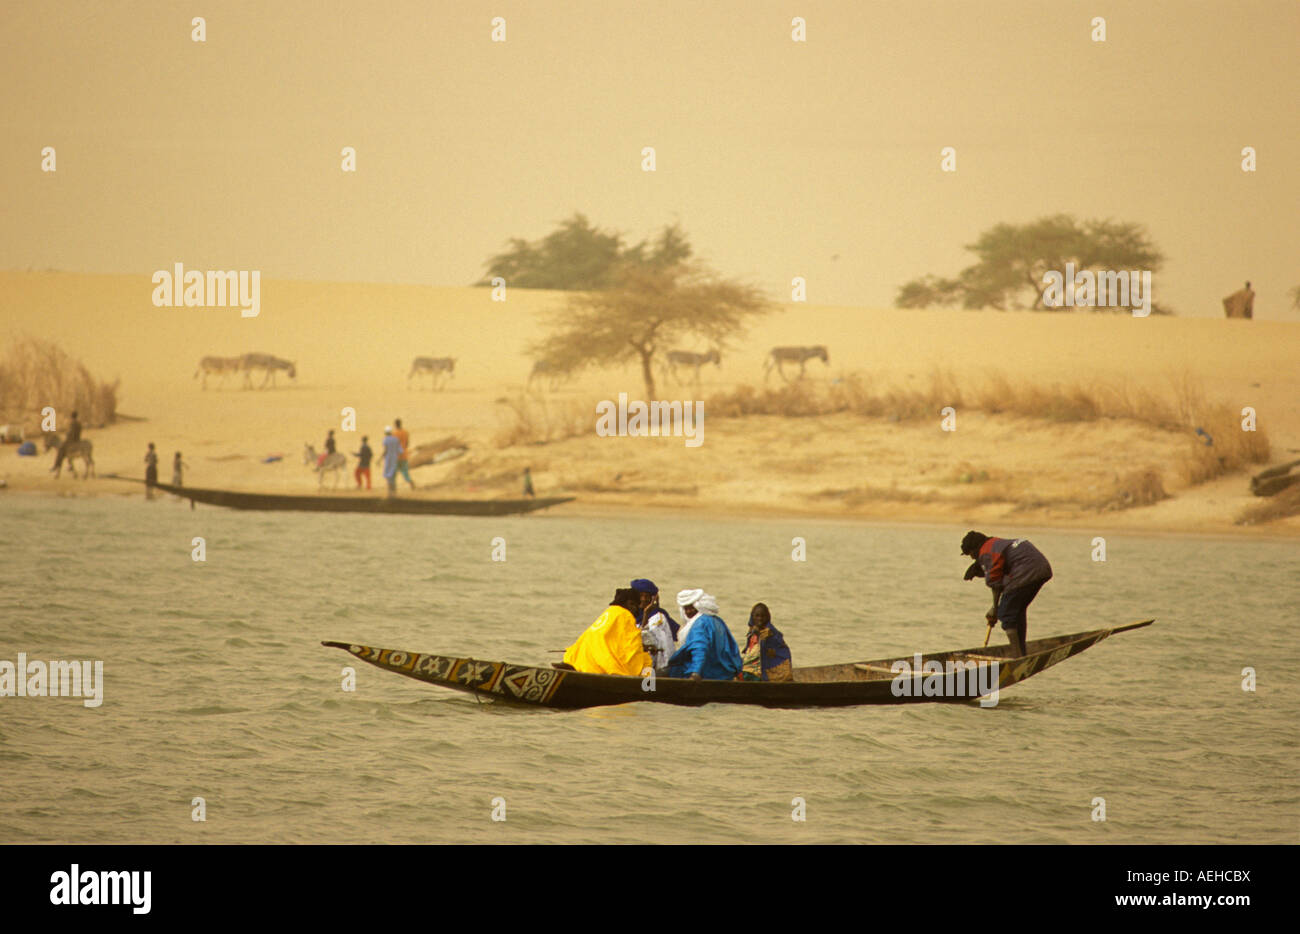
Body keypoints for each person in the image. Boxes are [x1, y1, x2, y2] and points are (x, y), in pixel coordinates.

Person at [961, 530, 1053, 657]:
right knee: (1017, 611)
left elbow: (995, 581)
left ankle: (1017, 656)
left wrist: (995, 609)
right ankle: (1021, 651)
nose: (972, 558)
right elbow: (1000, 577)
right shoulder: (996, 544)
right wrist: (995, 607)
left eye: (970, 554)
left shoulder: (986, 552)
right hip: (1042, 569)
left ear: (974, 549)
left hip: (1027, 571)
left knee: (1007, 614)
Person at [562, 588, 653, 676]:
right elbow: (632, 645)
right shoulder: (625, 615)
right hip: (602, 665)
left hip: (581, 661)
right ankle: (648, 688)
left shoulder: (610, 612)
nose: (636, 609)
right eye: (635, 605)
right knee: (646, 660)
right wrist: (643, 651)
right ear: (629, 603)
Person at [667, 589, 742, 681]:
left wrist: (695, 672)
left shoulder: (700, 624)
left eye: (692, 608)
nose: (689, 612)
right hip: (725, 673)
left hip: (708, 673)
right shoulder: (717, 621)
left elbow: (699, 648)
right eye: (686, 609)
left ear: (699, 607)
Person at [630, 579, 678, 673]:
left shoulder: (658, 617)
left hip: (654, 667)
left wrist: (646, 615)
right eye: (640, 596)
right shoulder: (631, 614)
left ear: (652, 598)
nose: (643, 599)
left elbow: (676, 634)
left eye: (647, 596)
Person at [739, 602, 793, 682]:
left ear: (767, 617)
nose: (760, 618)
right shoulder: (753, 632)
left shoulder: (769, 632)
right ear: (752, 617)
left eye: (763, 616)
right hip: (758, 667)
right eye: (757, 616)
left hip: (773, 670)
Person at [50, 410, 81, 474]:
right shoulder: (78, 423)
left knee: (60, 450)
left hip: (71, 441)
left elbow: (71, 433)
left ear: (72, 417)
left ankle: (56, 465)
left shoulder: (73, 423)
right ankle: (70, 465)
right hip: (77, 440)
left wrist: (66, 435)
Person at [379, 426, 403, 496]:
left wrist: (379, 459)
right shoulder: (396, 439)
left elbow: (385, 451)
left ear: (386, 433)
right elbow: (400, 451)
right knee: (393, 476)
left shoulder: (385, 440)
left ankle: (390, 492)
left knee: (388, 476)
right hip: (395, 459)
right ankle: (394, 492)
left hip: (388, 460)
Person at [393, 418, 416, 490]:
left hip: (396, 456)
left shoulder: (394, 433)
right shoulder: (406, 432)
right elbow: (407, 444)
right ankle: (411, 483)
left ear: (395, 425)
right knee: (405, 472)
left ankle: (393, 488)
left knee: (393, 473)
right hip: (404, 455)